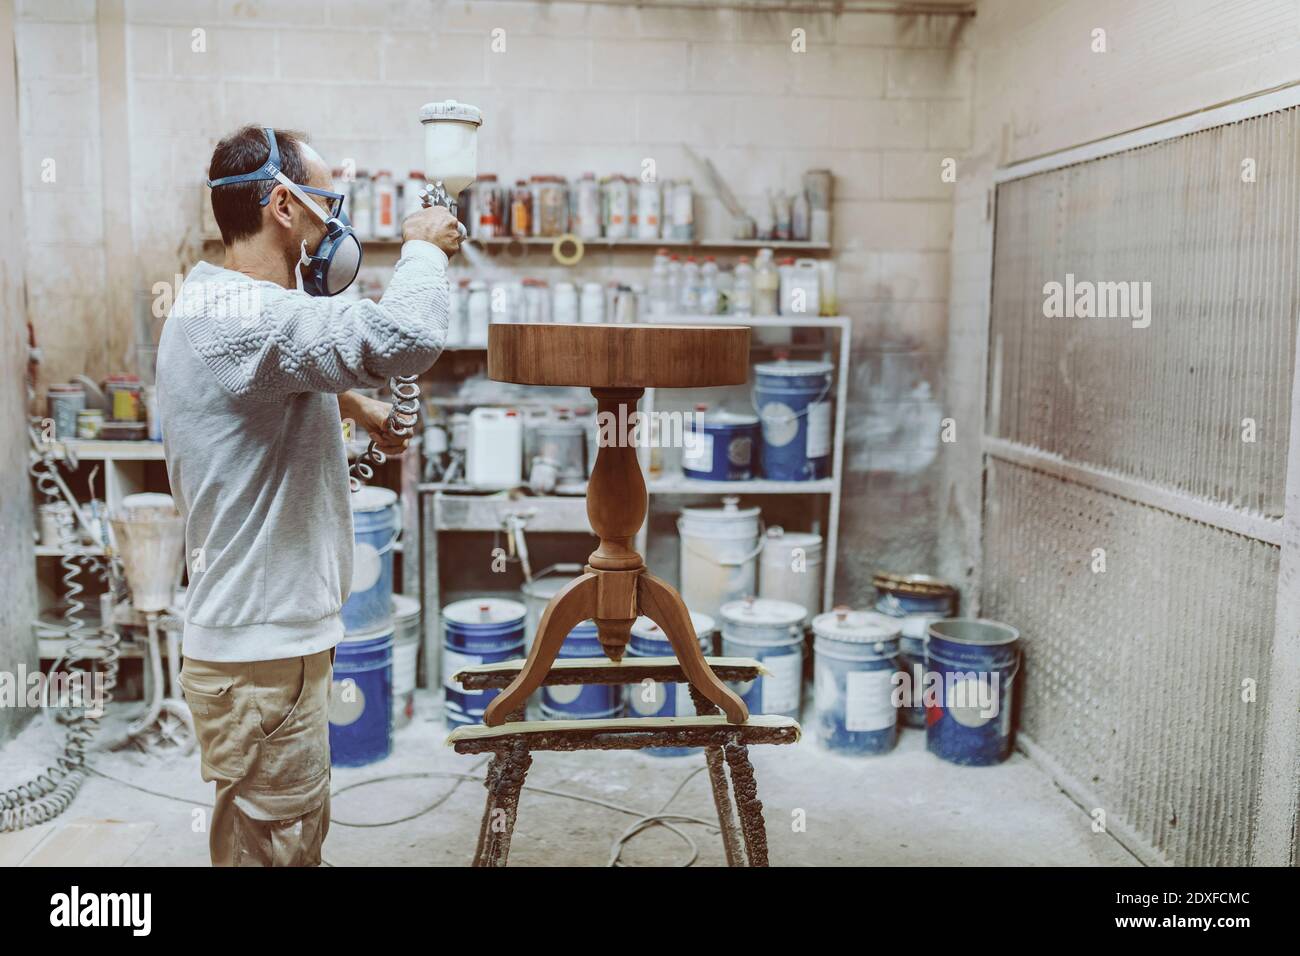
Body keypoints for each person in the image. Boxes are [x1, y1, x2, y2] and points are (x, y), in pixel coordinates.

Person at [156, 125, 460, 866]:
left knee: (281, 838)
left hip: (265, 647)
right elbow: (406, 338)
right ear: (284, 206)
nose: (338, 223)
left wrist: (356, 409)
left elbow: (274, 375)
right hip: (261, 655)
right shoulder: (246, 317)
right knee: (280, 849)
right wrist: (422, 246)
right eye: (330, 203)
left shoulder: (223, 303)